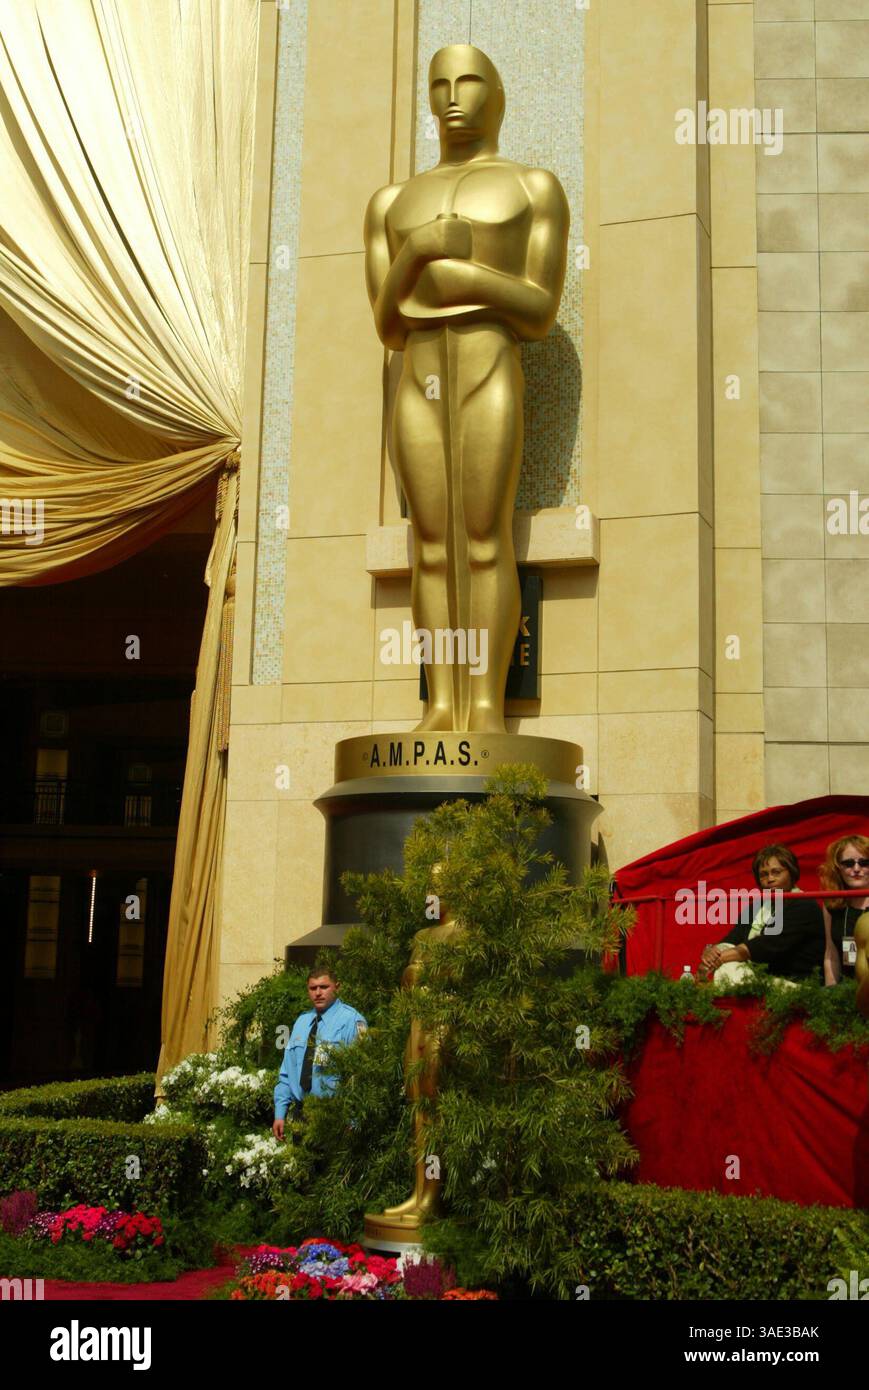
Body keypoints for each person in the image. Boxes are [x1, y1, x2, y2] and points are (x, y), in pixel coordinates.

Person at [698, 845, 823, 985]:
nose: (770, 879)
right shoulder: (756, 907)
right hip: (760, 979)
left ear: (791, 873)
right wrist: (711, 952)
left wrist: (717, 960)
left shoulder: (804, 905)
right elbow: (731, 939)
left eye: (776, 872)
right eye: (764, 874)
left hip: (794, 985)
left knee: (728, 968)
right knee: (727, 967)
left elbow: (765, 946)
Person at [272, 968, 367, 1141]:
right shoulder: (301, 1022)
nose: (318, 993)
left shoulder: (352, 1021)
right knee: (302, 1167)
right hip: (302, 1116)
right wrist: (280, 1113)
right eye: (313, 988)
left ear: (336, 987)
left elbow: (360, 1076)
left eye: (324, 987)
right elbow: (287, 1073)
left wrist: (353, 1121)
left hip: (335, 1118)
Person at [818, 835, 869, 986]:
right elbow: (831, 954)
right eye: (848, 864)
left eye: (864, 863)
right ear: (837, 869)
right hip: (845, 993)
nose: (856, 869)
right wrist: (831, 996)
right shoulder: (832, 904)